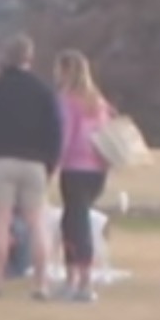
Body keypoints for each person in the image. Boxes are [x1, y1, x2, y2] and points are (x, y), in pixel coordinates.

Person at [0, 35, 63, 300]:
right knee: (37, 224)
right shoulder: (43, 91)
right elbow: (55, 132)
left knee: (0, 225)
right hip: (34, 163)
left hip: (0, 160)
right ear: (29, 58)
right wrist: (49, 165)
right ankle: (41, 284)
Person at [51, 49, 114, 303]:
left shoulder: (68, 101)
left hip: (74, 168)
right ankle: (82, 278)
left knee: (73, 224)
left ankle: (77, 280)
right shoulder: (99, 102)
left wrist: (54, 163)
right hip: (97, 170)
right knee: (80, 220)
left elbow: (65, 135)